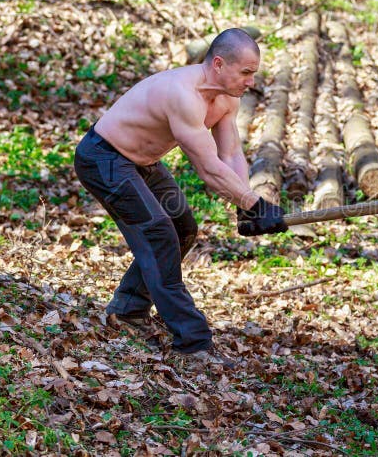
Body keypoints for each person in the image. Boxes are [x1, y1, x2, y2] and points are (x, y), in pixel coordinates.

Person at [74, 28, 287, 368]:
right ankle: (193, 342)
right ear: (218, 64)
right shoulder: (182, 94)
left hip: (142, 163)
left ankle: (128, 310)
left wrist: (244, 207)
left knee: (183, 228)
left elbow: (230, 154)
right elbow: (208, 168)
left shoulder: (226, 98)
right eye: (245, 72)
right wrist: (254, 204)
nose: (250, 81)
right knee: (159, 233)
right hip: (104, 160)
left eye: (253, 73)